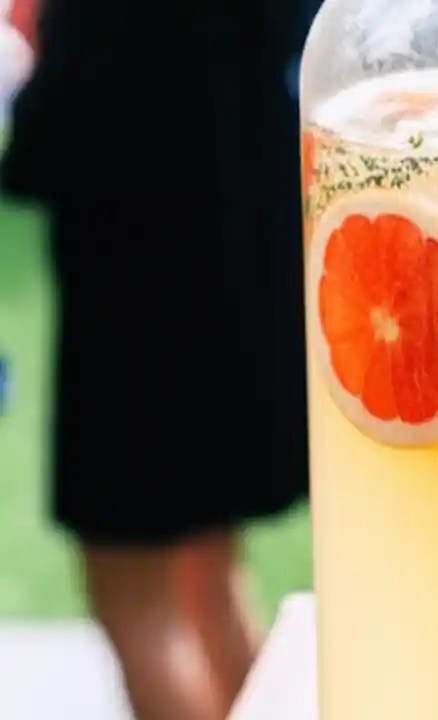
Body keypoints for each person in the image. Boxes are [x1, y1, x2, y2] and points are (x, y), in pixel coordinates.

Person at [0, 1, 311, 718]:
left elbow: (72, 124)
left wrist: (30, 99)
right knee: (209, 575)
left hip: (139, 301)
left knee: (133, 590)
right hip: (238, 272)